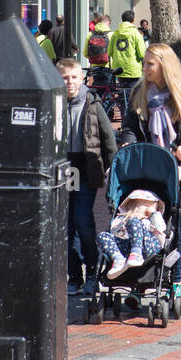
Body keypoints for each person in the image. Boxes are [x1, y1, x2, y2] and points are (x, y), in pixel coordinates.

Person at [118, 43, 181, 299]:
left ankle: (175, 279)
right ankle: (140, 279)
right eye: (144, 63)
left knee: (175, 223)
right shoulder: (139, 92)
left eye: (149, 64)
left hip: (176, 170)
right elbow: (129, 126)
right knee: (142, 220)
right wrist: (128, 142)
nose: (144, 68)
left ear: (164, 66)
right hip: (146, 168)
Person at [57, 57, 118, 297]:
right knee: (66, 225)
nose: (70, 82)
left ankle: (92, 269)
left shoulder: (92, 102)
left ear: (82, 79)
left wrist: (113, 168)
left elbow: (107, 137)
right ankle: (74, 276)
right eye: (64, 78)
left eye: (74, 77)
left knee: (82, 219)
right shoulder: (53, 102)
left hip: (85, 168)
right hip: (64, 170)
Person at [97, 190, 166, 280]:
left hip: (147, 248)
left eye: (150, 206)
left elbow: (161, 229)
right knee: (102, 235)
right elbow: (114, 232)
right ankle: (118, 259)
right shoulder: (122, 218)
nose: (148, 208)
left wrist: (153, 214)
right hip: (126, 249)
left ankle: (136, 254)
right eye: (145, 205)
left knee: (134, 221)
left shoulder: (151, 219)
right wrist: (123, 225)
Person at [109, 10, 147, 94]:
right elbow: (142, 54)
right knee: (133, 95)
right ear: (133, 20)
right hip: (133, 71)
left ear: (122, 20)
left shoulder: (115, 34)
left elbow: (109, 52)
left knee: (122, 94)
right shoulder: (136, 34)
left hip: (119, 70)